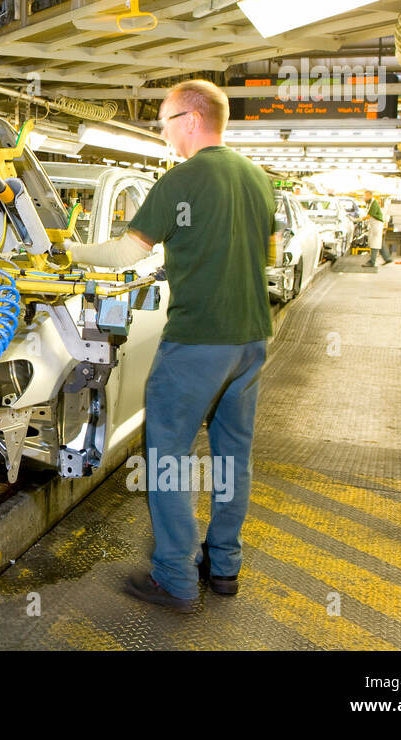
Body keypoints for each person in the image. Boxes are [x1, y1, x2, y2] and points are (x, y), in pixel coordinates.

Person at [63, 79, 274, 613]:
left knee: (168, 459)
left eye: (164, 121)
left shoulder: (182, 180)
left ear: (191, 120)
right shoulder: (258, 179)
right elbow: (252, 252)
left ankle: (175, 578)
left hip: (197, 341)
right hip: (250, 339)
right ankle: (223, 566)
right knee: (233, 457)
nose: (162, 132)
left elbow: (119, 255)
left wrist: (65, 249)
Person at [364, 194, 389, 267]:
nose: (364, 198)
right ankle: (387, 258)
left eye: (365, 196)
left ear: (370, 195)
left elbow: (369, 215)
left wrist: (359, 219)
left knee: (374, 243)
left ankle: (372, 262)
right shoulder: (372, 203)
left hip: (376, 226)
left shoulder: (374, 203)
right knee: (378, 242)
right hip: (375, 226)